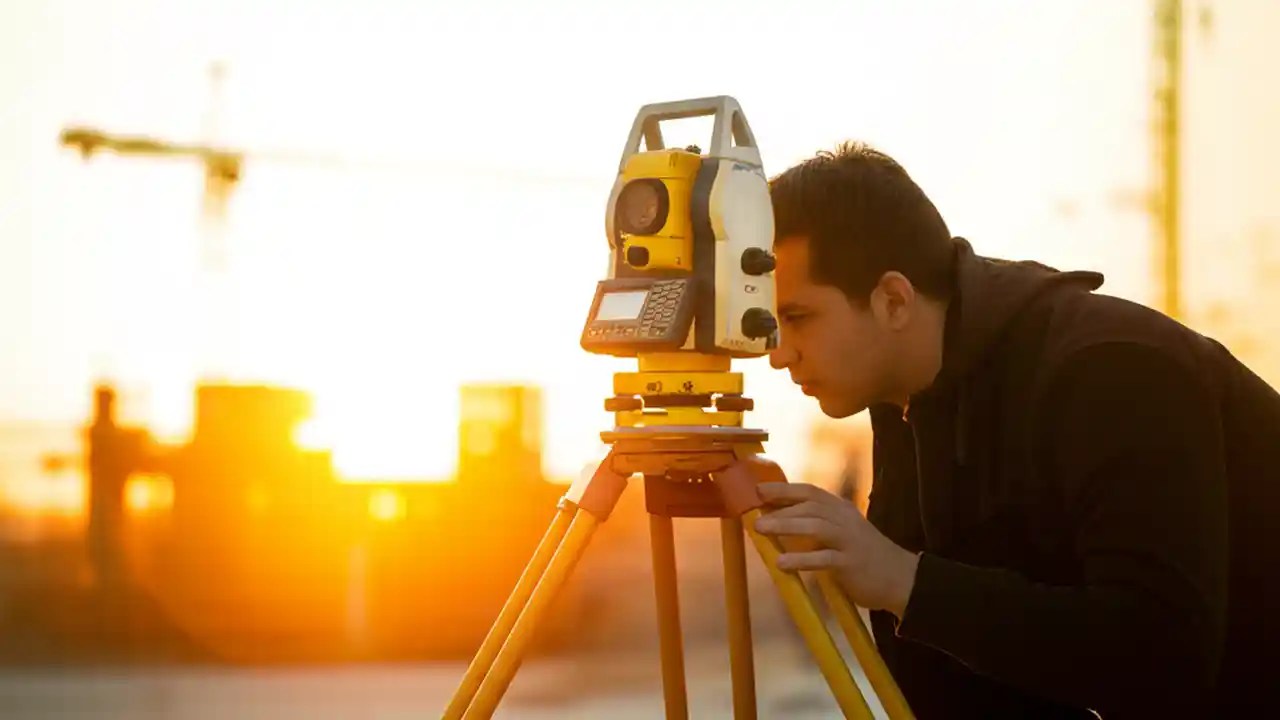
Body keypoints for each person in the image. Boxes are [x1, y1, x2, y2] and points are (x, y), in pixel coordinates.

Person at [752, 141, 1279, 718]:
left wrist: (905, 580)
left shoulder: (1111, 368)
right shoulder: (910, 396)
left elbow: (1161, 656)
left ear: (893, 300)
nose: (778, 354)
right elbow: (961, 672)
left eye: (796, 316)